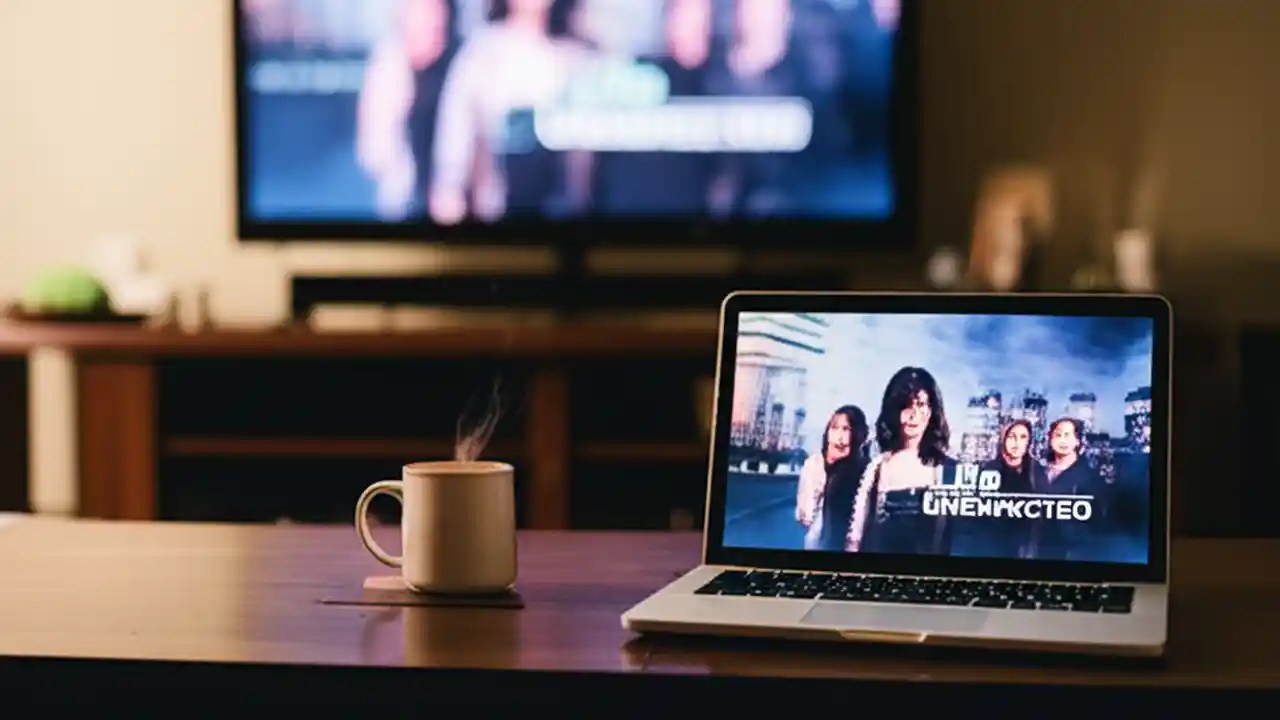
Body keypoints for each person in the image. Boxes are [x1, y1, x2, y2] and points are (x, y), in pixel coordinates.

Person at [429, 0, 589, 224]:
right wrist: (448, 188)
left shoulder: (576, 57)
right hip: (494, 214)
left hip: (561, 217)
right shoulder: (483, 50)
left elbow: (584, 156)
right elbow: (456, 128)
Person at [592, 0, 716, 214]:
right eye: (680, 13)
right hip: (624, 223)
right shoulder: (637, 75)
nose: (690, 24)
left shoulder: (720, 82)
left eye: (699, 16)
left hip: (699, 225)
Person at [355, 0, 459, 220]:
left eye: (434, 12)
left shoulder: (459, 65)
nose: (430, 19)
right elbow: (372, 153)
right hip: (402, 205)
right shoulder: (388, 65)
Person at [846, 367, 956, 554]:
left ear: (931, 411)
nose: (913, 415)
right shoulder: (877, 469)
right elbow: (854, 538)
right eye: (906, 405)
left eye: (920, 405)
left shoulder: (947, 470)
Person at [951, 419, 1043, 558]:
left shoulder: (1037, 471)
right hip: (991, 547)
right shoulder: (988, 471)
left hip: (1026, 547)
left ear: (1029, 442)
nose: (1017, 443)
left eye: (1023, 437)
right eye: (1012, 436)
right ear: (1003, 439)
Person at [1027, 417, 1103, 560]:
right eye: (1058, 435)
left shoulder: (1089, 475)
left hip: (1074, 553)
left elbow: (1098, 520)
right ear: (1050, 439)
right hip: (1040, 549)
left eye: (1067, 435)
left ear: (1077, 441)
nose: (1062, 440)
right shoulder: (1037, 471)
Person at [795, 405, 870, 550]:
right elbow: (804, 517)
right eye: (834, 428)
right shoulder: (814, 466)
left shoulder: (863, 472)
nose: (839, 437)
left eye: (846, 429)